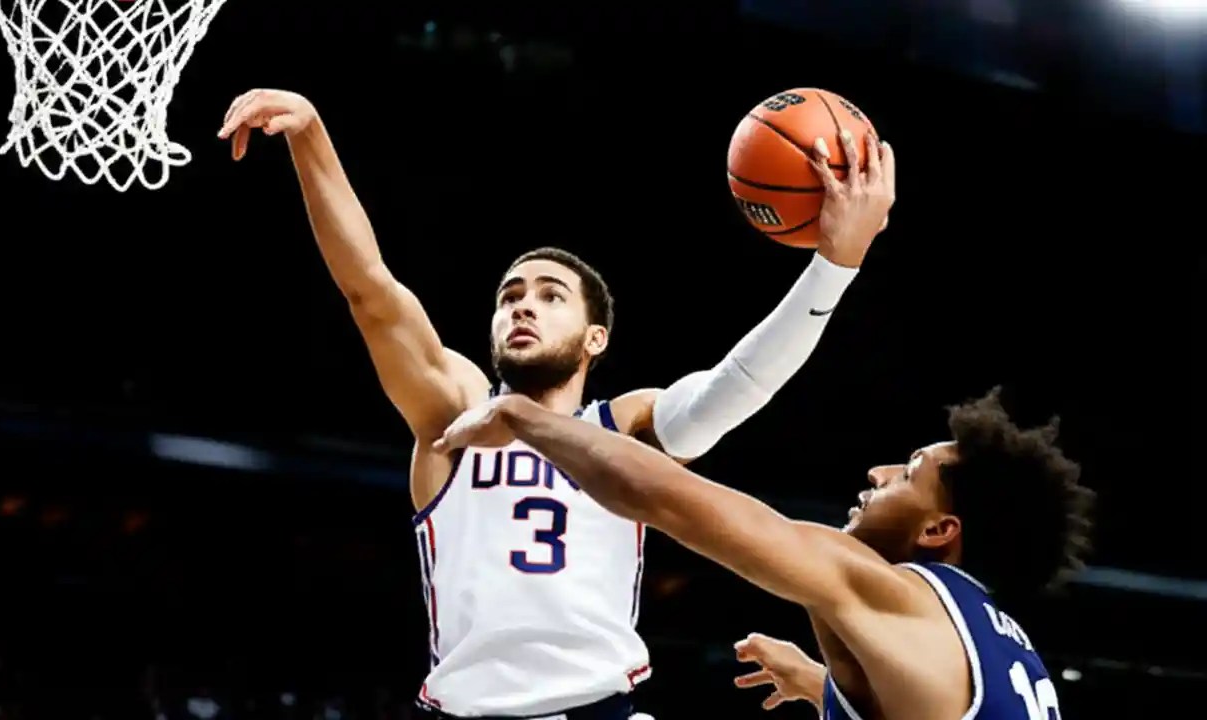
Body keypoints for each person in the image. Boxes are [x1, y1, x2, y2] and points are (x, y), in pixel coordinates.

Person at [217, 89, 893, 719]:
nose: (522, 307)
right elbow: (370, 289)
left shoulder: (624, 427)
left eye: (549, 295)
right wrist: (310, 131)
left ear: (595, 337)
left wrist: (833, 264)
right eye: (510, 296)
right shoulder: (452, 412)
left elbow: (734, 388)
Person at [434, 387, 1095, 719]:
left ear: (936, 531)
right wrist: (826, 689)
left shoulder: (896, 590)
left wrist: (528, 418)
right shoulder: (1008, 647)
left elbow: (668, 497)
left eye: (909, 470)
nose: (878, 472)